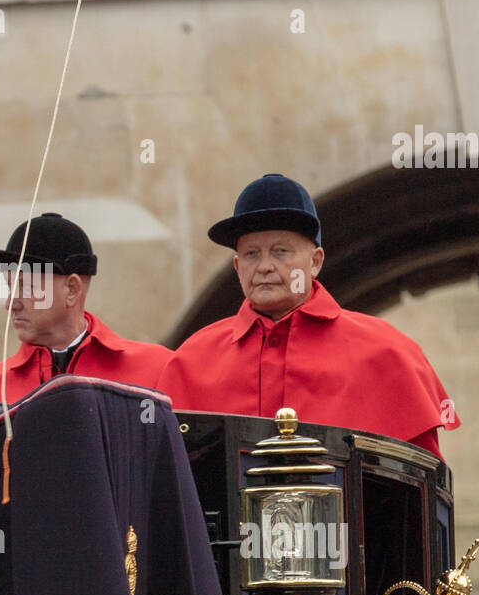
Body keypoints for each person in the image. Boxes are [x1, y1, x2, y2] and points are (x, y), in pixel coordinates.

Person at [162, 174, 458, 456]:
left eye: (280, 251)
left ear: (315, 262)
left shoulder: (389, 351)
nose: (264, 266)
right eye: (252, 253)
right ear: (238, 268)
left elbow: (422, 490)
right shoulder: (191, 359)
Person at [0, 213, 177, 403]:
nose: (10, 304)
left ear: (72, 289)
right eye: (10, 287)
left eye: (26, 287)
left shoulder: (159, 370)